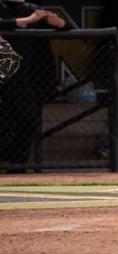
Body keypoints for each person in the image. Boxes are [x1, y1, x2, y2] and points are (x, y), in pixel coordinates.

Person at [0, 0, 73, 171]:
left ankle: (17, 164)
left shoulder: (29, 8)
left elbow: (66, 26)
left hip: (18, 77)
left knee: (29, 118)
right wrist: (28, 20)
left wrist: (57, 21)